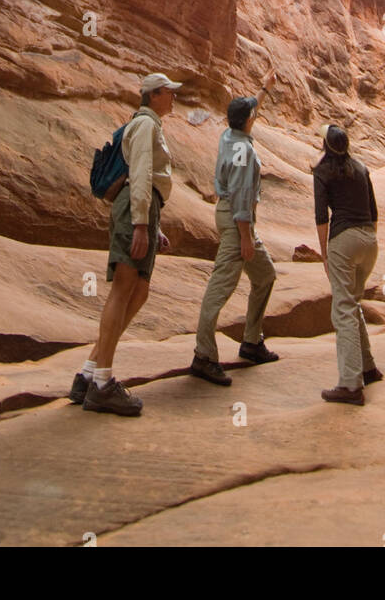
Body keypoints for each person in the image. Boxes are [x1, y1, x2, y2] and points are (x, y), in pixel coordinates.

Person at [70, 72, 181, 417]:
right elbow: (142, 173)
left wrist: (151, 223)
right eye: (170, 93)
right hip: (136, 209)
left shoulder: (146, 124)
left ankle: (88, 374)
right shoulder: (146, 125)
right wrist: (140, 223)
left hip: (143, 209)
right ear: (155, 95)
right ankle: (103, 384)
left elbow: (146, 178)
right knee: (123, 288)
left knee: (139, 291)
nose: (174, 98)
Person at [190, 71, 280, 385]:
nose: (256, 116)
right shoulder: (245, 153)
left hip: (234, 218)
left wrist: (263, 89)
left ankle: (251, 342)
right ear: (247, 122)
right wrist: (245, 237)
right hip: (236, 221)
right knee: (220, 288)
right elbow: (243, 197)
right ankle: (203, 356)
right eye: (253, 115)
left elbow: (251, 107)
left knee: (265, 275)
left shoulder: (229, 134)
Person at [314, 123, 382, 406]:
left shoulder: (322, 172)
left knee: (342, 309)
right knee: (352, 303)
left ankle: (350, 385)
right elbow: (374, 211)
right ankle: (368, 368)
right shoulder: (362, 168)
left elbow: (321, 217)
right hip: (369, 241)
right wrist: (367, 239)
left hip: (344, 240)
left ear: (325, 146)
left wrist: (325, 255)